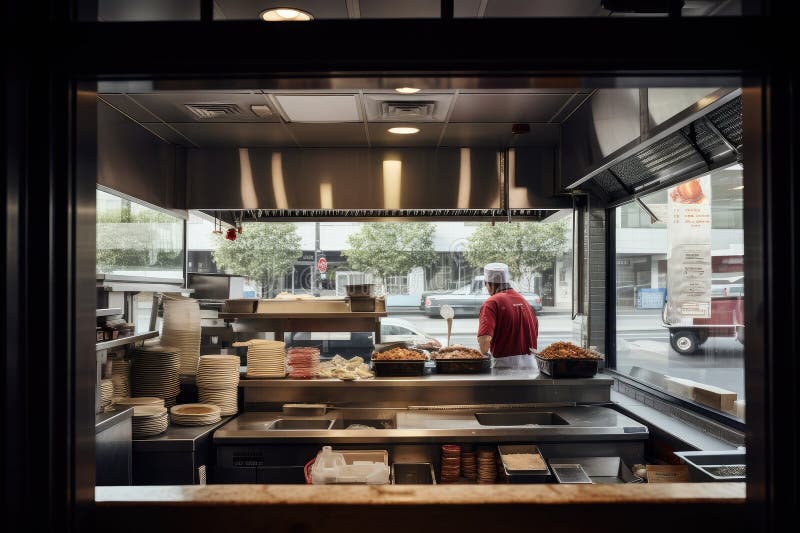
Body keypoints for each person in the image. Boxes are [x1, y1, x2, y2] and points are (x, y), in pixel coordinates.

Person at [477, 263, 539, 367]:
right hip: (531, 365)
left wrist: (481, 356)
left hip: (504, 367)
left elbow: (485, 340)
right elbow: (535, 332)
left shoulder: (491, 303)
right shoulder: (524, 301)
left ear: (488, 284)